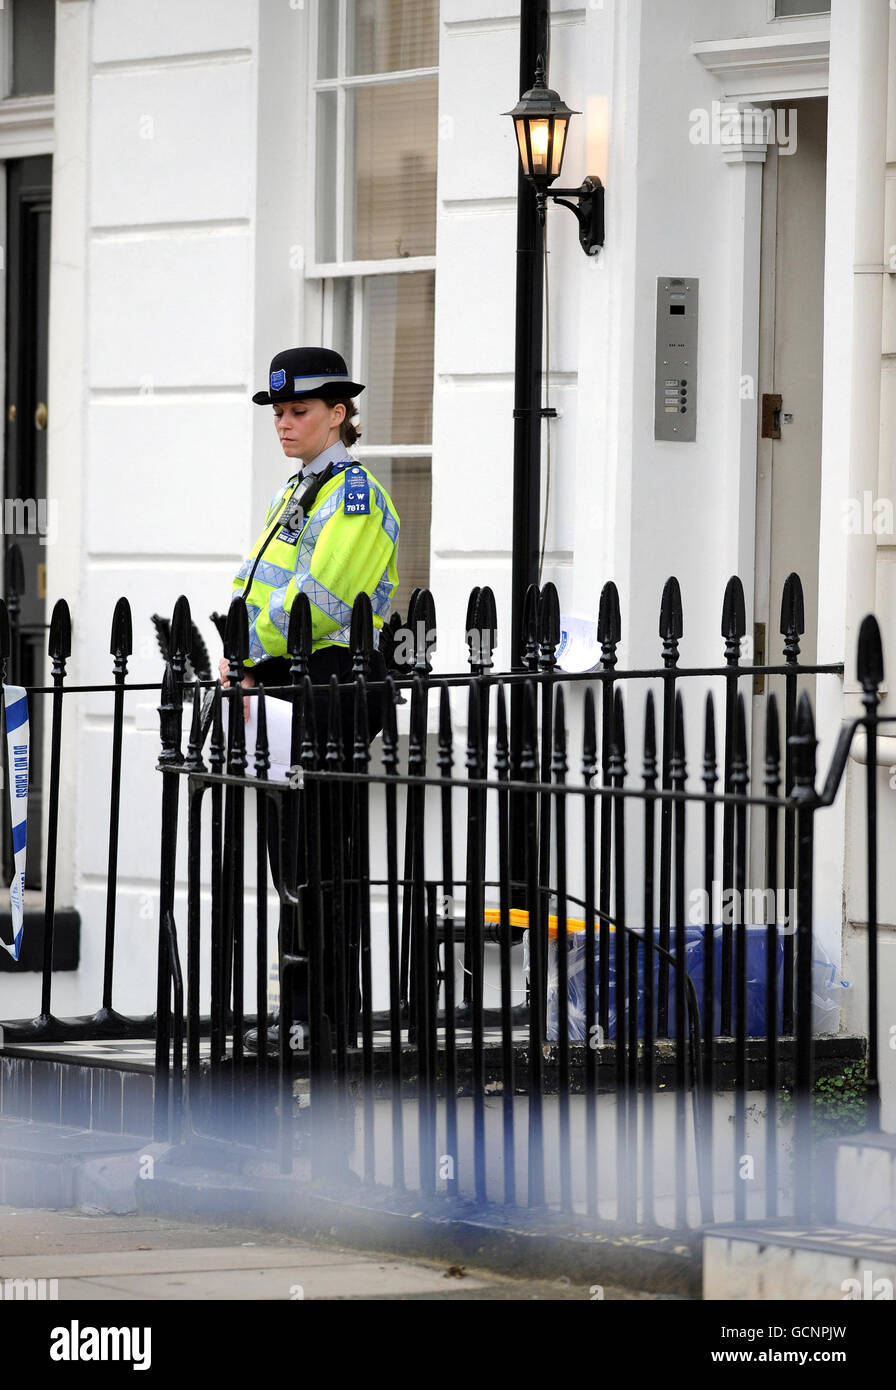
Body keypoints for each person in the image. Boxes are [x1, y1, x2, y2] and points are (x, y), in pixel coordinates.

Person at [221, 346, 400, 1049]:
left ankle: (321, 1017)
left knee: (323, 862)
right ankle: (297, 1012)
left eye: (298, 411)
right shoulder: (296, 491)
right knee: (292, 862)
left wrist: (248, 647)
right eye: (278, 412)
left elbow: (318, 602)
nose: (284, 423)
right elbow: (254, 583)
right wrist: (241, 659)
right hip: (287, 684)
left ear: (338, 413)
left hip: (330, 685)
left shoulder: (355, 496)